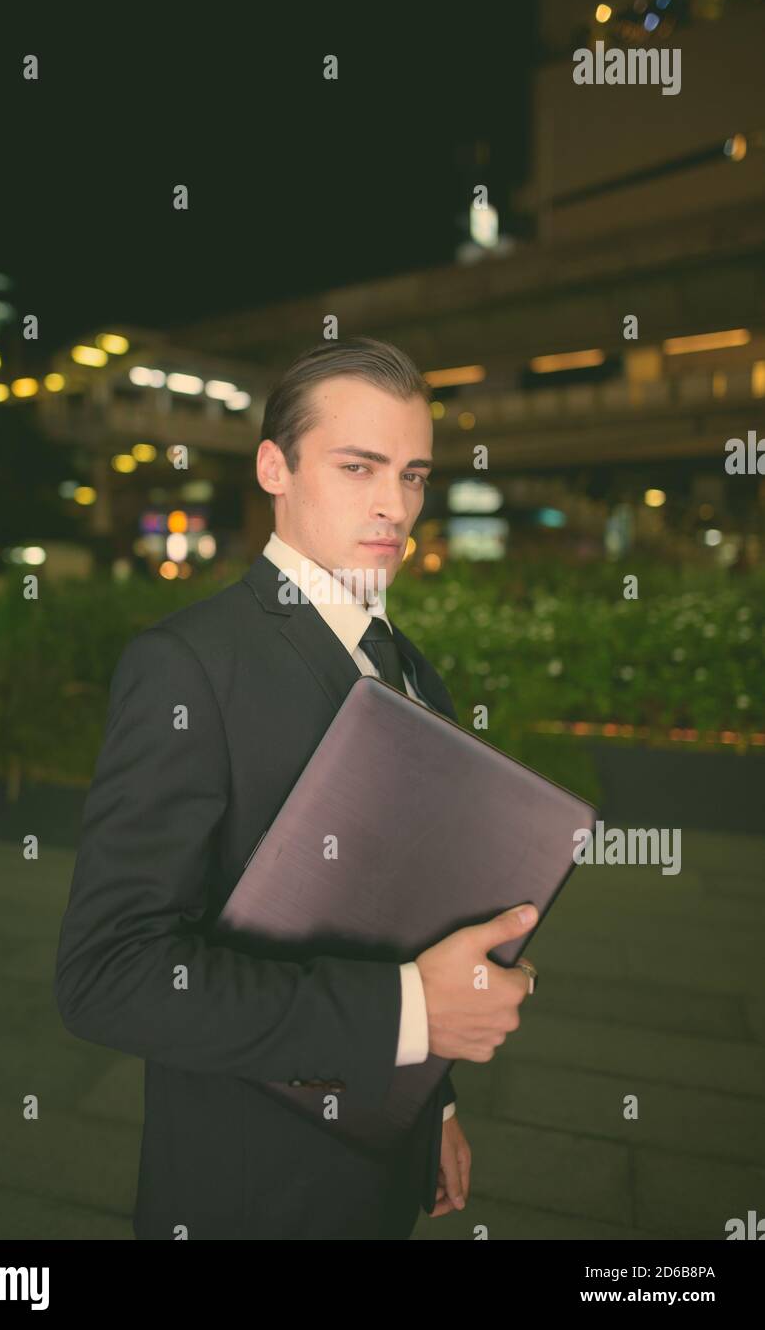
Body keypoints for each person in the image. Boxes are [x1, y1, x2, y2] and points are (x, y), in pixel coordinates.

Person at [54, 336, 537, 1240]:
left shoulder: (409, 670)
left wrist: (431, 1099)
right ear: (274, 467)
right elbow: (105, 976)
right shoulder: (188, 666)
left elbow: (403, 913)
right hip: (248, 1193)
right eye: (357, 467)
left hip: (378, 1161)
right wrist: (409, 1013)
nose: (394, 506)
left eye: (414, 475)